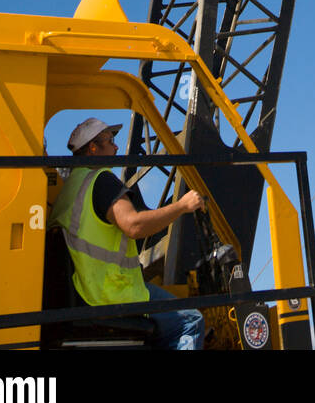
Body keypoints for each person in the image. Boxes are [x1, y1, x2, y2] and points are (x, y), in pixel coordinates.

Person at [48, 117, 205, 350]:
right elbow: (134, 226)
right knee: (190, 321)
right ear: (93, 148)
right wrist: (182, 205)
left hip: (85, 290)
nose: (116, 147)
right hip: (112, 293)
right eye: (110, 141)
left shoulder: (68, 189)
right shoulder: (100, 180)